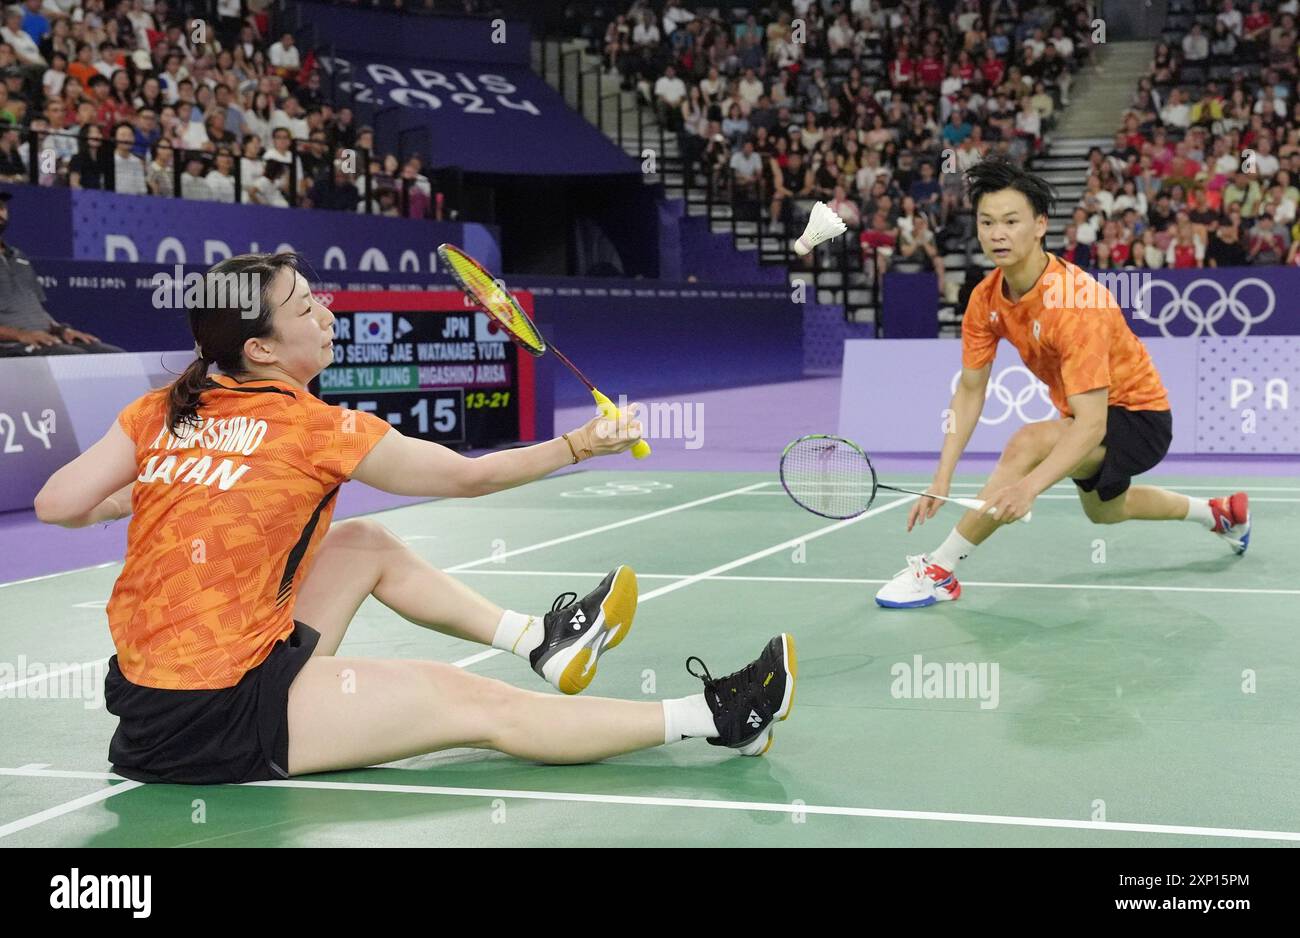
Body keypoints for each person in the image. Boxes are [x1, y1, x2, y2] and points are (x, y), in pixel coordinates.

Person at [32, 252, 798, 784]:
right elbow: (468, 479)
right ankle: (716, 715)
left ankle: (541, 642)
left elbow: (58, 503)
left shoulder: (160, 412)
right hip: (218, 720)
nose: (327, 312)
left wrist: (170, 481)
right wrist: (581, 443)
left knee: (361, 543)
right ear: (262, 348)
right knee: (474, 704)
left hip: (145, 708)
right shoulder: (314, 429)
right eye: (308, 307)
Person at [874, 158, 1251, 609]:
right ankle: (1219, 514)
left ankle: (940, 570)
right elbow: (971, 390)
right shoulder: (985, 297)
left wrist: (1028, 488)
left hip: (1139, 416)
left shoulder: (1076, 302)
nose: (998, 234)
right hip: (1090, 414)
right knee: (1105, 512)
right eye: (987, 222)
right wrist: (942, 476)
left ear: (1039, 225)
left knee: (1029, 442)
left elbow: (1091, 425)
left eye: (1011, 222)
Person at [0, 190, 124, 356]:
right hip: (11, 345)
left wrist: (61, 330)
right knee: (74, 359)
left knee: (112, 355)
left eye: (1, 207)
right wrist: (21, 335)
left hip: (44, 338)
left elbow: (34, 308)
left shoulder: (19, 256)